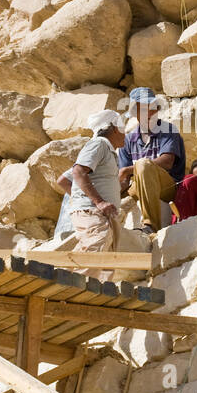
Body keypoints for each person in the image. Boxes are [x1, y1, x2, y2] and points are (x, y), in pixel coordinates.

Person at [64, 109, 126, 278]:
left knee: (106, 258)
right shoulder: (99, 144)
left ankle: (70, 281)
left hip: (103, 213)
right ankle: (75, 289)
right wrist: (97, 202)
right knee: (98, 239)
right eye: (123, 128)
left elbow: (64, 180)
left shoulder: (107, 149)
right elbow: (78, 172)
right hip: (93, 211)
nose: (125, 133)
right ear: (114, 128)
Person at [117, 87, 186, 233]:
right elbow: (124, 179)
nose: (149, 114)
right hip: (139, 186)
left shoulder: (168, 130)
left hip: (167, 187)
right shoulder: (128, 140)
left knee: (143, 165)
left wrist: (129, 170)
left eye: (153, 109)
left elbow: (167, 161)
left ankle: (150, 225)